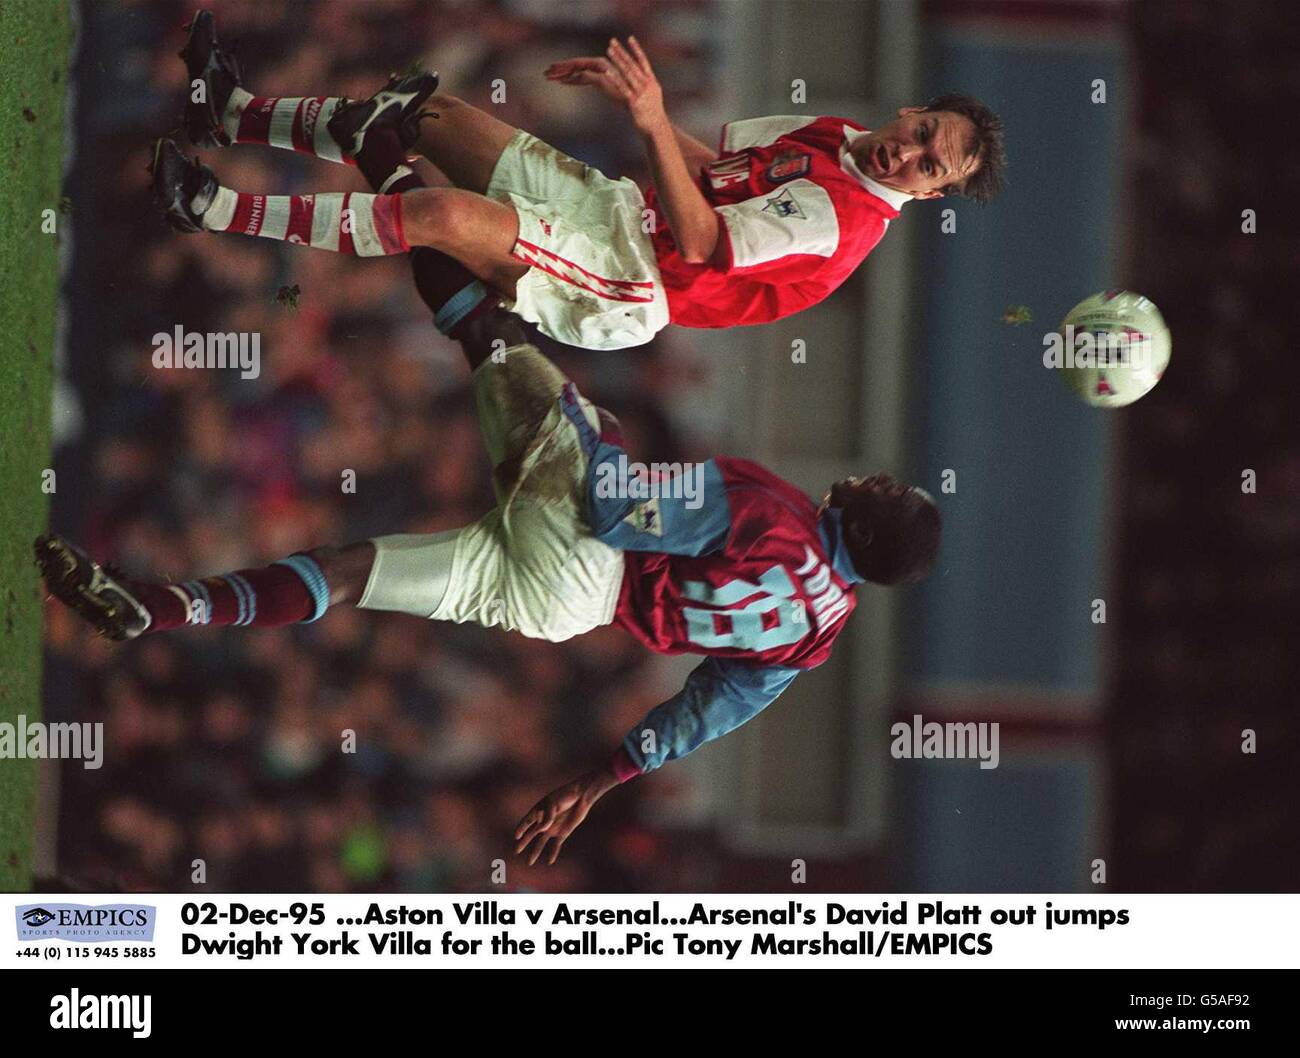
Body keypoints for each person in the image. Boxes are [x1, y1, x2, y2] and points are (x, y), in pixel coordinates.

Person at [42, 120, 942, 864]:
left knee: (487, 324)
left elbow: (622, 507)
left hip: (591, 530)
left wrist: (601, 437)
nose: (872, 476)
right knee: (356, 574)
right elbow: (708, 708)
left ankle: (365, 155)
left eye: (884, 489)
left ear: (865, 516)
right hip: (566, 605)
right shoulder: (816, 635)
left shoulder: (777, 513)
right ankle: (158, 609)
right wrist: (602, 779)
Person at [153, 8, 1005, 351]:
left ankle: (217, 206)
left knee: (441, 213)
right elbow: (716, 174)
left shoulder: (841, 222)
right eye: (925, 133)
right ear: (909, 111)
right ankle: (227, 113)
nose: (913, 153)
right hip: (625, 212)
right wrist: (645, 109)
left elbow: (708, 245)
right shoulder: (841, 137)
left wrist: (645, 122)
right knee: (425, 113)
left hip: (635, 284)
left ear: (928, 195)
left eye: (932, 166)